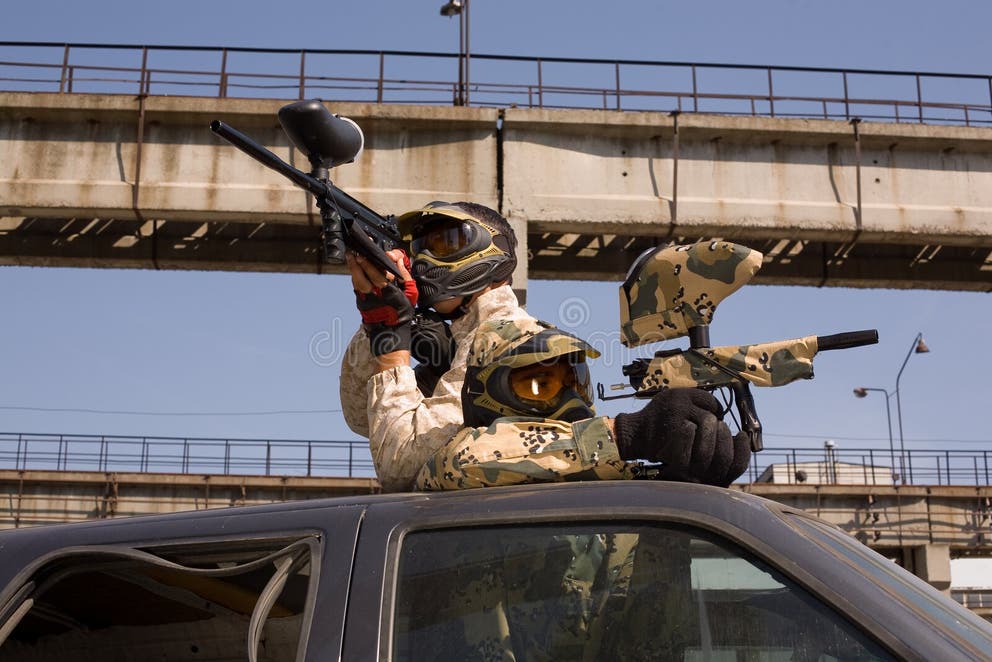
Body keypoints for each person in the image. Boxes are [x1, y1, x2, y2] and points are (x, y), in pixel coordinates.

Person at [340, 201, 748, 492]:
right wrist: (381, 322)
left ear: (488, 251)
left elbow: (401, 464)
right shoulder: (463, 338)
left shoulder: (508, 336)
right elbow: (365, 418)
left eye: (446, 242)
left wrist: (391, 341)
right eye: (419, 247)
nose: (426, 256)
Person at [416, 317, 751, 490]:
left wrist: (688, 478)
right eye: (540, 385)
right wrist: (628, 433)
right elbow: (466, 461)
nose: (571, 401)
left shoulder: (598, 470)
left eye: (576, 383)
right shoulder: (461, 465)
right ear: (486, 393)